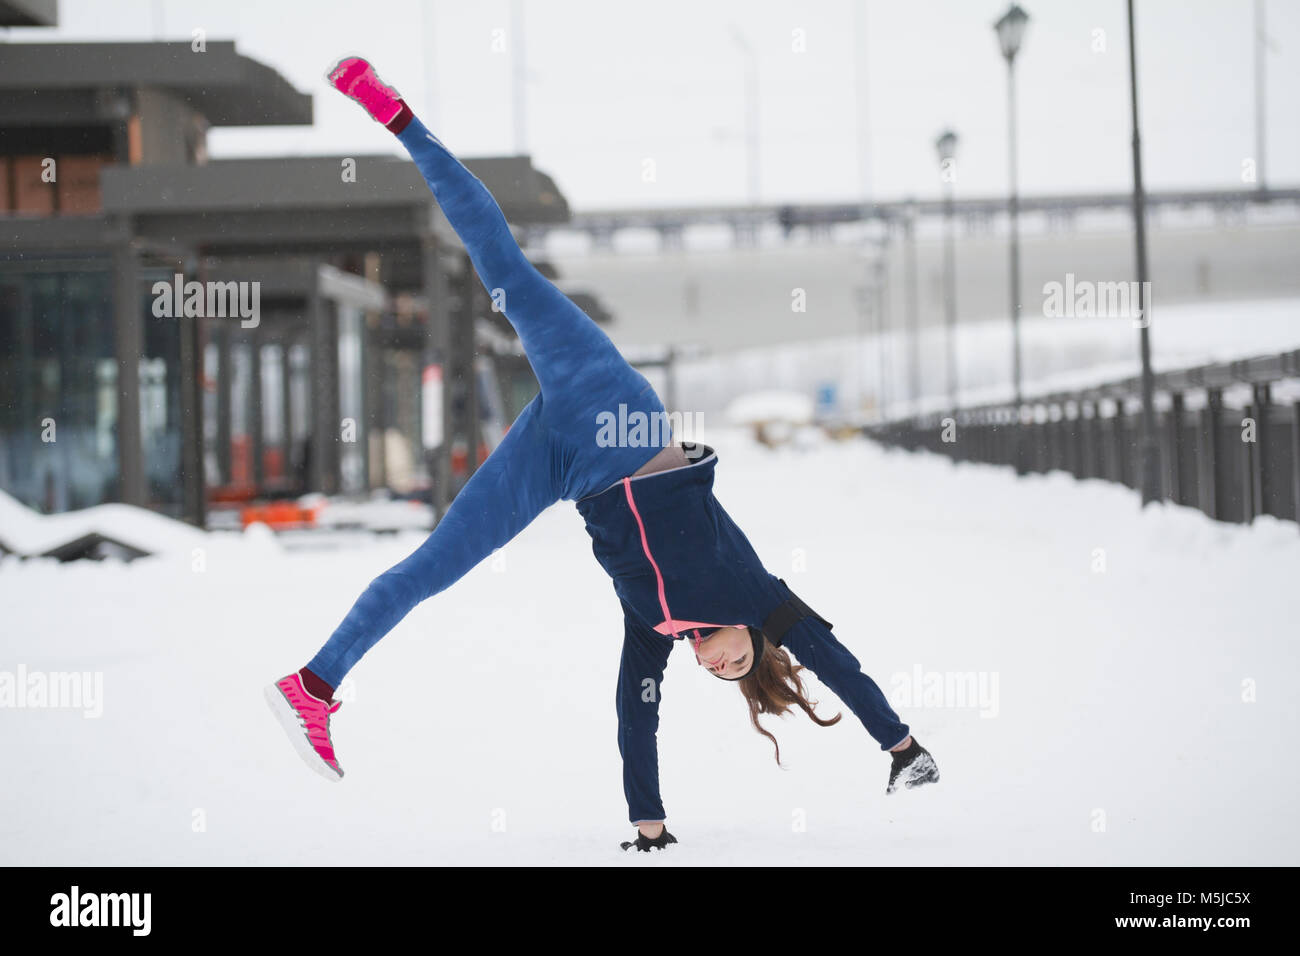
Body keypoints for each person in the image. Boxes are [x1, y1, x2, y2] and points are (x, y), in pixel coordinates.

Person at [265, 57, 939, 853]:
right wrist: (901, 747)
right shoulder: (756, 594)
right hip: (611, 411)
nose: (719, 665)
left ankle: (313, 685)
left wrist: (648, 829)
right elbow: (833, 660)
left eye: (717, 675)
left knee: (435, 565)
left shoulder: (655, 623)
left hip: (565, 465)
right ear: (757, 643)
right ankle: (399, 116)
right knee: (506, 271)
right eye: (736, 664)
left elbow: (636, 715)